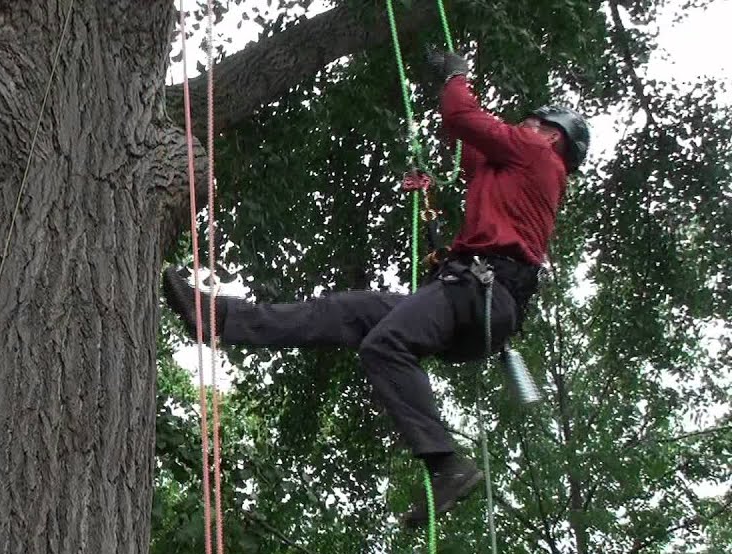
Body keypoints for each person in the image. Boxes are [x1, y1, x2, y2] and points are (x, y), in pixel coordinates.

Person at [160, 47, 590, 528]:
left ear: (553, 134)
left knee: (384, 346)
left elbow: (463, 117)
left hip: (480, 292)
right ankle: (218, 319)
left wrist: (458, 77)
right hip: (468, 294)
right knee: (347, 312)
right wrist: (447, 90)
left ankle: (446, 463)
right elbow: (469, 141)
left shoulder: (540, 155)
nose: (520, 126)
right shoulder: (511, 168)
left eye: (529, 123)